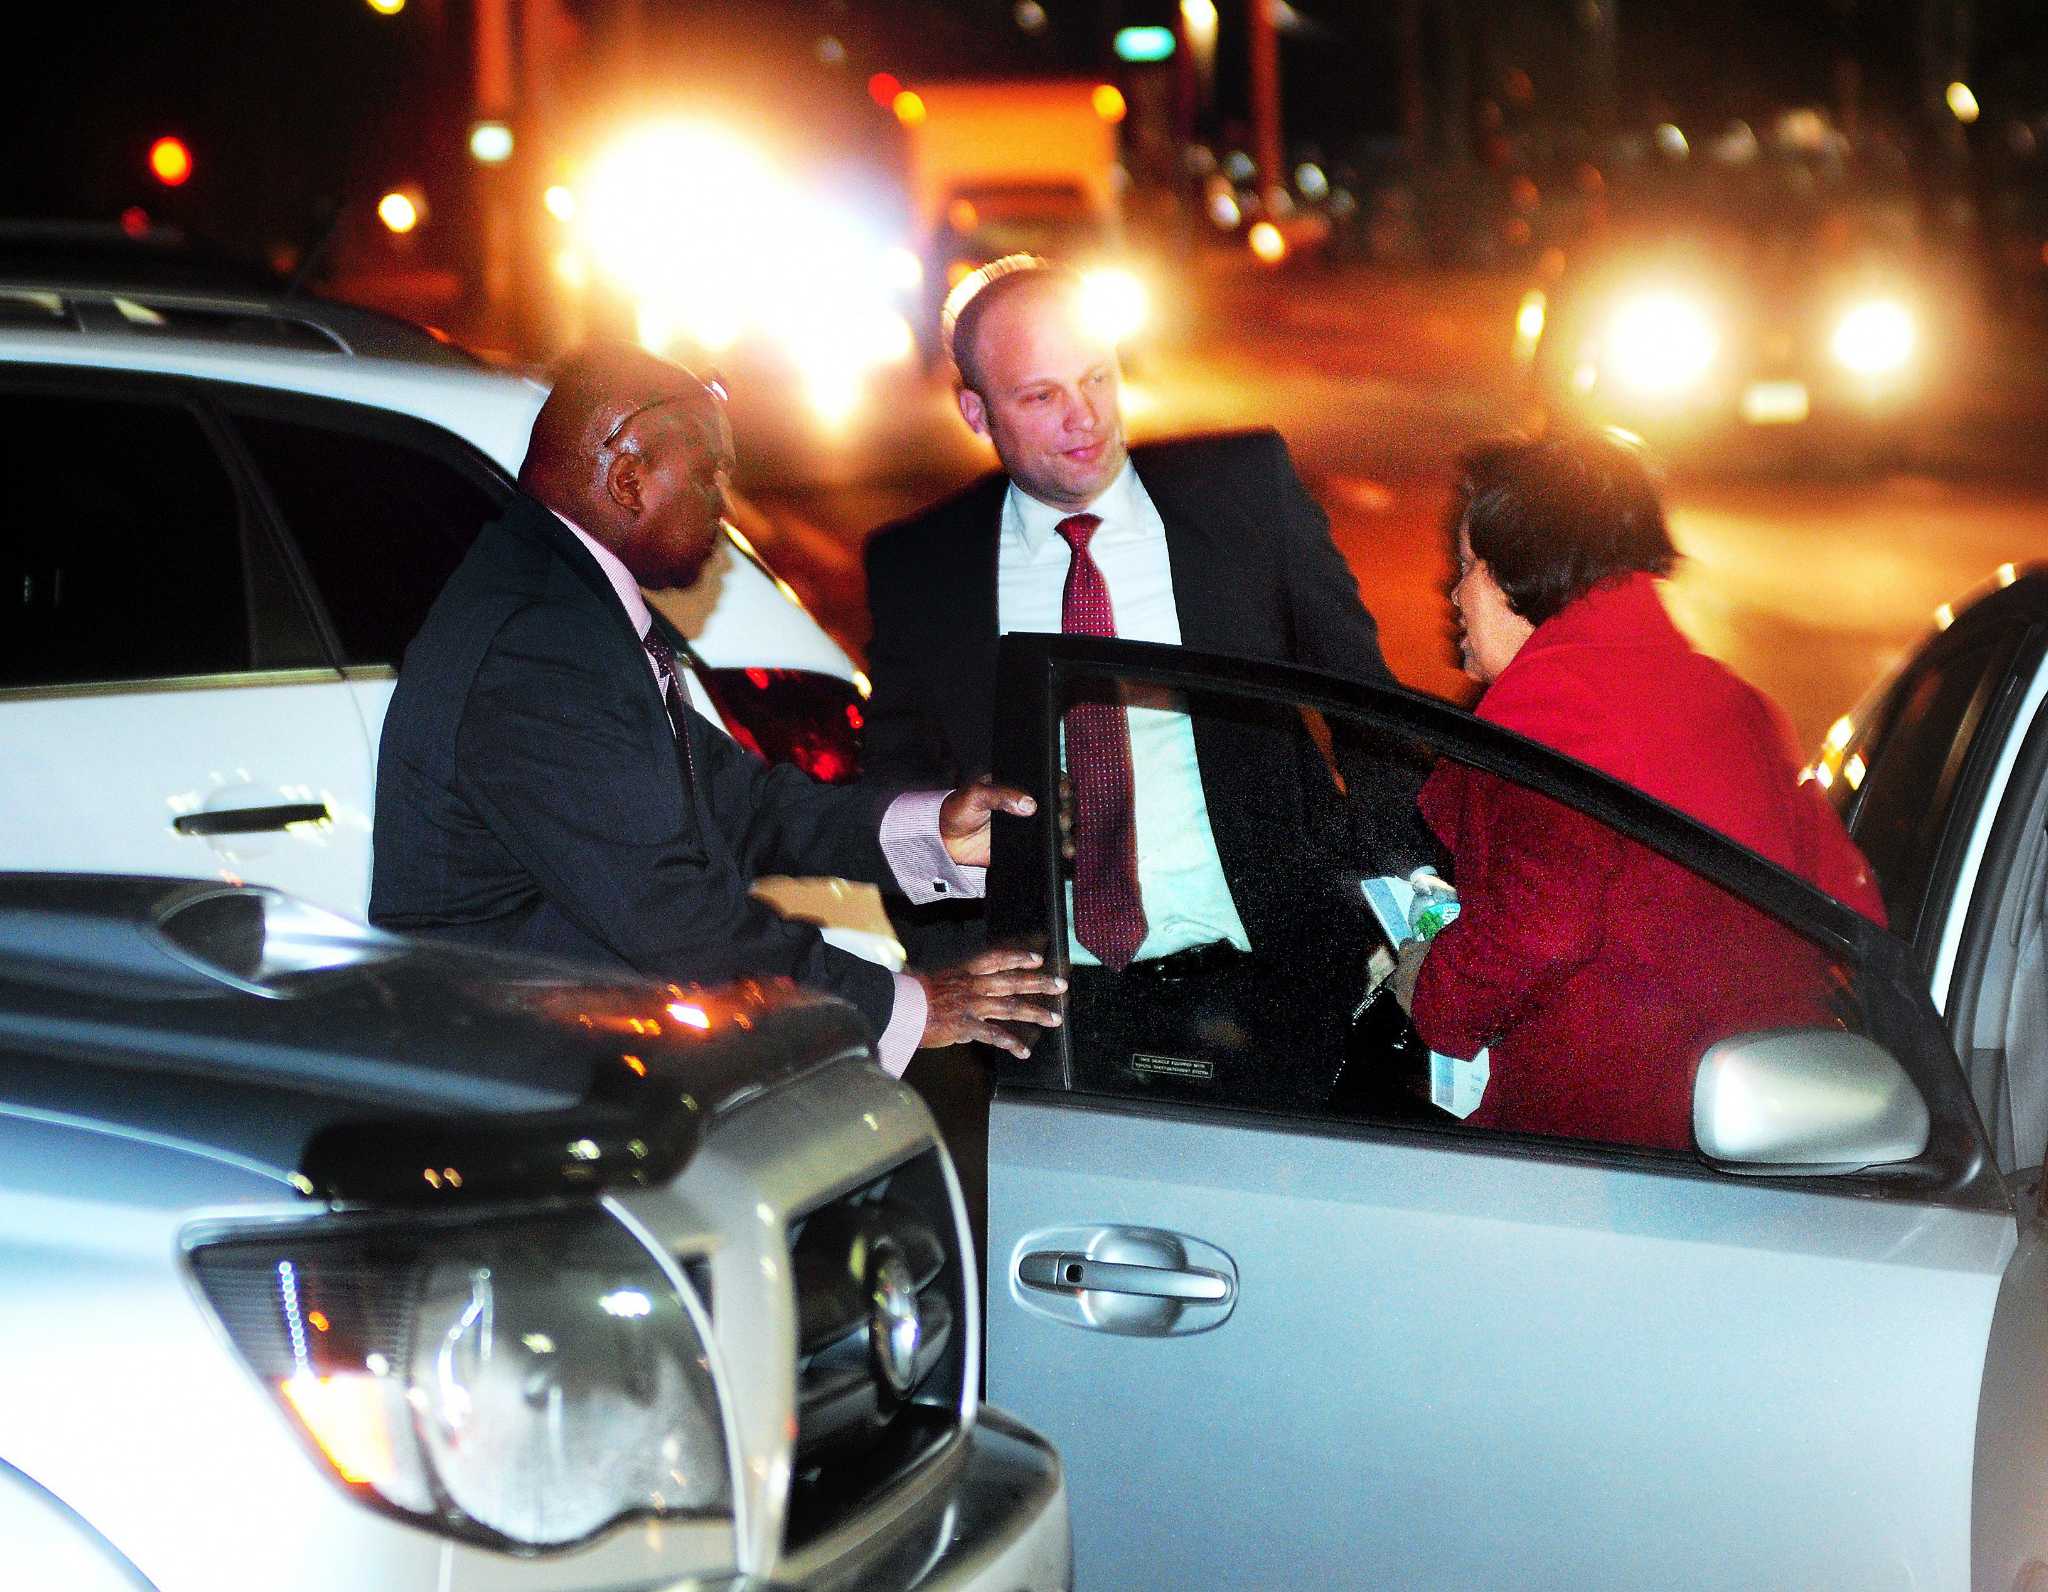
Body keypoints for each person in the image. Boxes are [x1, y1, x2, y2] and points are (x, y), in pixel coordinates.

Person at [370, 340, 1062, 1074]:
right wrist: (912, 1007)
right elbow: (671, 920)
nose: (724, 507)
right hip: (511, 1081)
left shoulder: (558, 603)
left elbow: (741, 801)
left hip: (557, 1054)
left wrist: (935, 833)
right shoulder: (537, 643)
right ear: (630, 479)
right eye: (707, 477)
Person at [861, 255, 1431, 1105]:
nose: (1083, 417)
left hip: (1272, 973)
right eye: (1040, 396)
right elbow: (897, 785)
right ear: (975, 411)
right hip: (1048, 1007)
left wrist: (1358, 890)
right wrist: (955, 947)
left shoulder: (1243, 493)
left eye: (1096, 377)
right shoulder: (922, 562)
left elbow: (1371, 706)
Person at [1396, 431, 1886, 1149]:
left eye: (1468, 566)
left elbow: (1542, 925)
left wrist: (1434, 989)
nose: (1453, 593)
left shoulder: (1551, 709)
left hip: (1605, 1149)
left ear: (1521, 575)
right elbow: (1853, 906)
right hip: (1772, 1127)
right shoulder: (1733, 702)